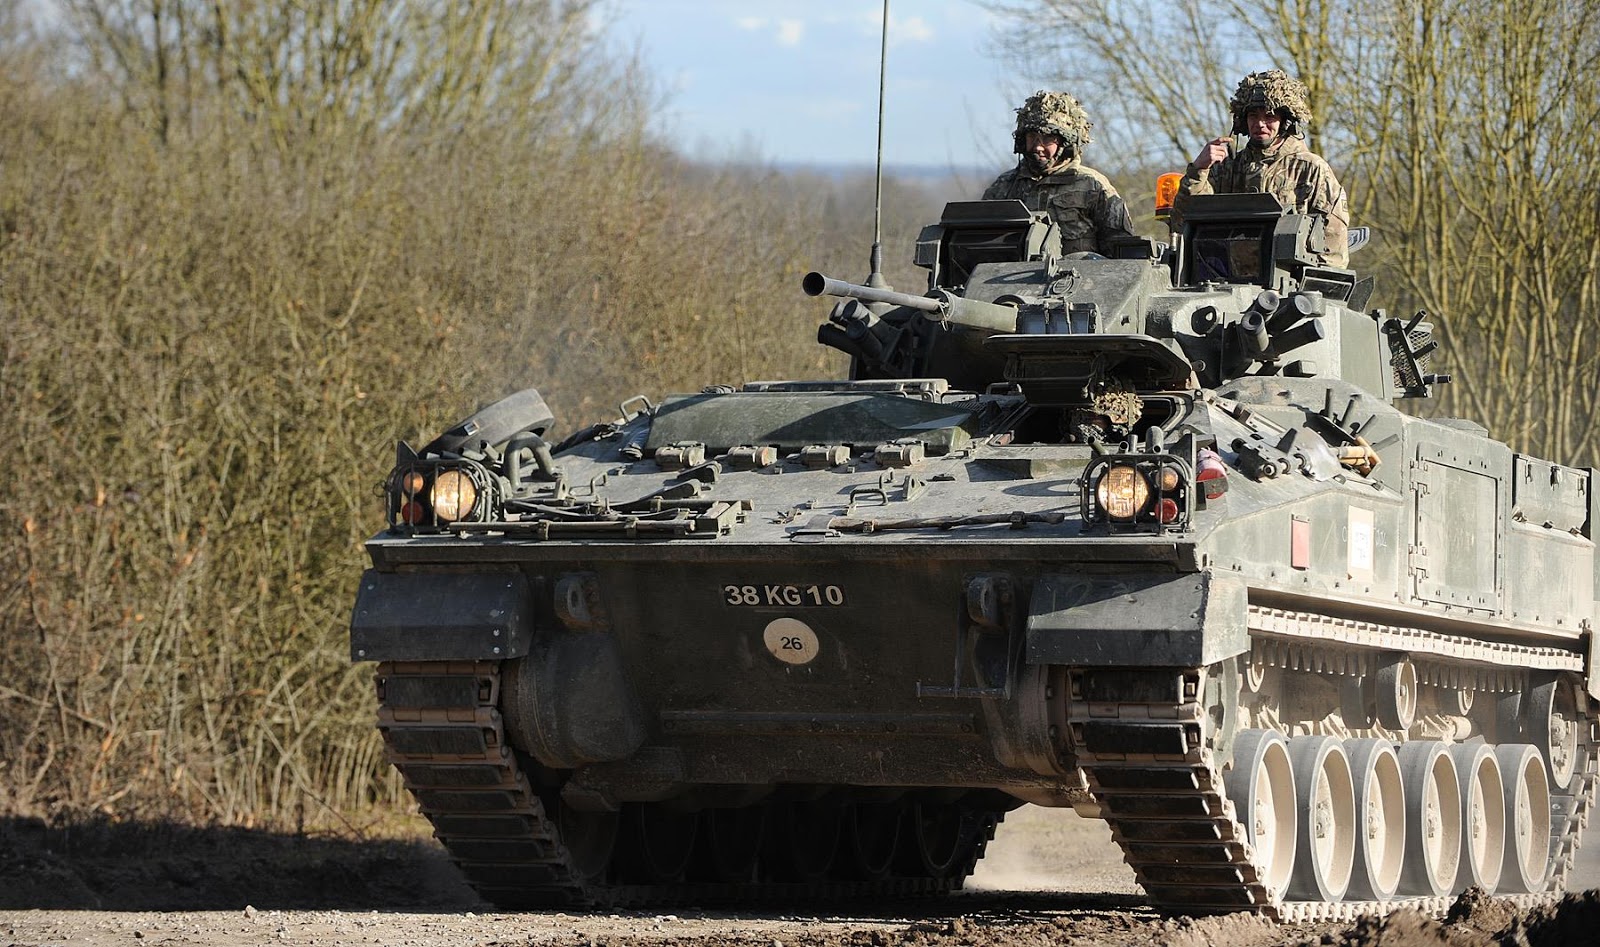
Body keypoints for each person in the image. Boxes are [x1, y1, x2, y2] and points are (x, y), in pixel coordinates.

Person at [1174, 69, 1349, 268]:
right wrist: (1198, 171)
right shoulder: (1226, 170)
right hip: (1223, 283)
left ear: (1286, 121)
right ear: (1242, 120)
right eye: (1252, 115)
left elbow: (1333, 249)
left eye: (1270, 115)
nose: (1260, 124)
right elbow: (1182, 225)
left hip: (1289, 288)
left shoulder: (1311, 170)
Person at [983, 91, 1137, 256]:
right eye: (1032, 137)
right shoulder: (1004, 186)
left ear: (1067, 143)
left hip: (1079, 280)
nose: (1038, 147)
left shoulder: (1092, 185)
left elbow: (1122, 252)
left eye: (1048, 138)